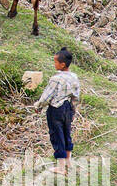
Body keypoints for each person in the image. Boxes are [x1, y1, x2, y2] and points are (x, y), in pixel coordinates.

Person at [34, 47, 81, 175]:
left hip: (56, 110)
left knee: (57, 136)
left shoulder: (55, 79)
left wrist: (38, 106)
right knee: (67, 134)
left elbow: (46, 97)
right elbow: (76, 96)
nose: (54, 64)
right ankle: (68, 162)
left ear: (62, 64)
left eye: (55, 62)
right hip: (68, 108)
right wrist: (73, 110)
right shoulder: (74, 76)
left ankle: (60, 167)